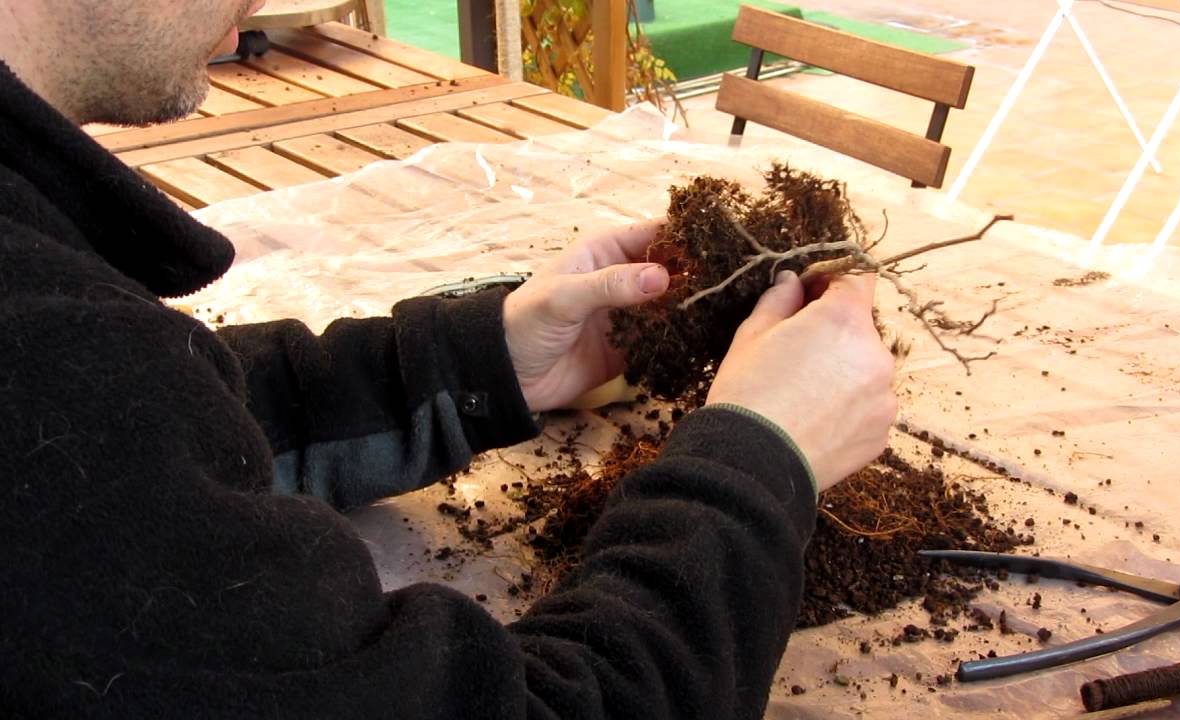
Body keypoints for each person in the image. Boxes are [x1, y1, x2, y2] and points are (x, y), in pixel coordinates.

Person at [0, 0, 897, 717]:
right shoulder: (41, 358)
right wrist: (757, 462)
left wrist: (476, 364)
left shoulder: (62, 331)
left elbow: (157, 432)